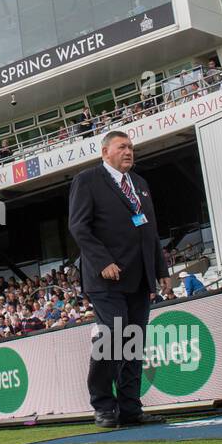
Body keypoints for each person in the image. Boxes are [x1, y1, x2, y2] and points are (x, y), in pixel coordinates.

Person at [67, 130, 169, 428]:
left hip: (139, 278)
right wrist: (103, 261)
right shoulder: (87, 180)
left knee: (133, 344)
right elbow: (79, 227)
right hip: (106, 278)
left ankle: (130, 409)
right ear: (105, 152)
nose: (129, 152)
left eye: (131, 147)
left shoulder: (140, 184)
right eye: (122, 147)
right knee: (113, 336)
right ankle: (102, 405)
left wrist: (160, 270)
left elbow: (149, 231)